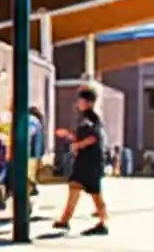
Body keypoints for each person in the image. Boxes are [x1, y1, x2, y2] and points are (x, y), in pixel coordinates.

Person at [53, 87, 109, 236]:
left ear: (88, 102)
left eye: (80, 100)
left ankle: (104, 222)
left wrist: (77, 145)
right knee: (75, 187)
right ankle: (65, 220)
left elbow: (93, 138)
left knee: (95, 192)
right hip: (87, 160)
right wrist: (70, 136)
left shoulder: (89, 118)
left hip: (90, 161)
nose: (78, 103)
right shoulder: (89, 118)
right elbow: (86, 137)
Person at [27, 106, 45, 197]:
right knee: (32, 173)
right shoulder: (38, 122)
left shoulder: (32, 121)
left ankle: (29, 193)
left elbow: (29, 134)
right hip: (36, 153)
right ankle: (33, 188)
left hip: (31, 153)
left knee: (29, 175)